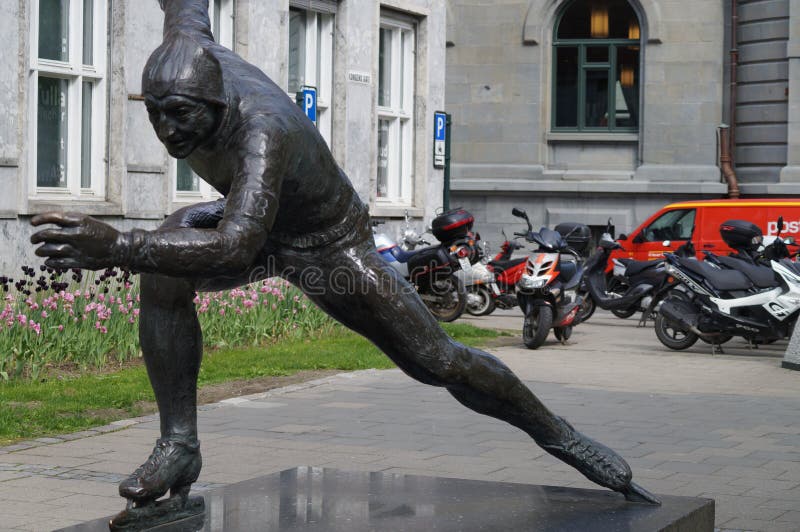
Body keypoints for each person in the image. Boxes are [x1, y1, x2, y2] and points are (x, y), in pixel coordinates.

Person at [31, 0, 658, 517]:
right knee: (164, 271)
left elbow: (236, 247)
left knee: (437, 360)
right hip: (251, 219)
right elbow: (187, 9)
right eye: (158, 116)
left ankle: (562, 435)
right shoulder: (186, 53)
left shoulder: (262, 133)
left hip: (326, 243)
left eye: (184, 117)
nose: (169, 133)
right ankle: (179, 444)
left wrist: (118, 246)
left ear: (219, 103)